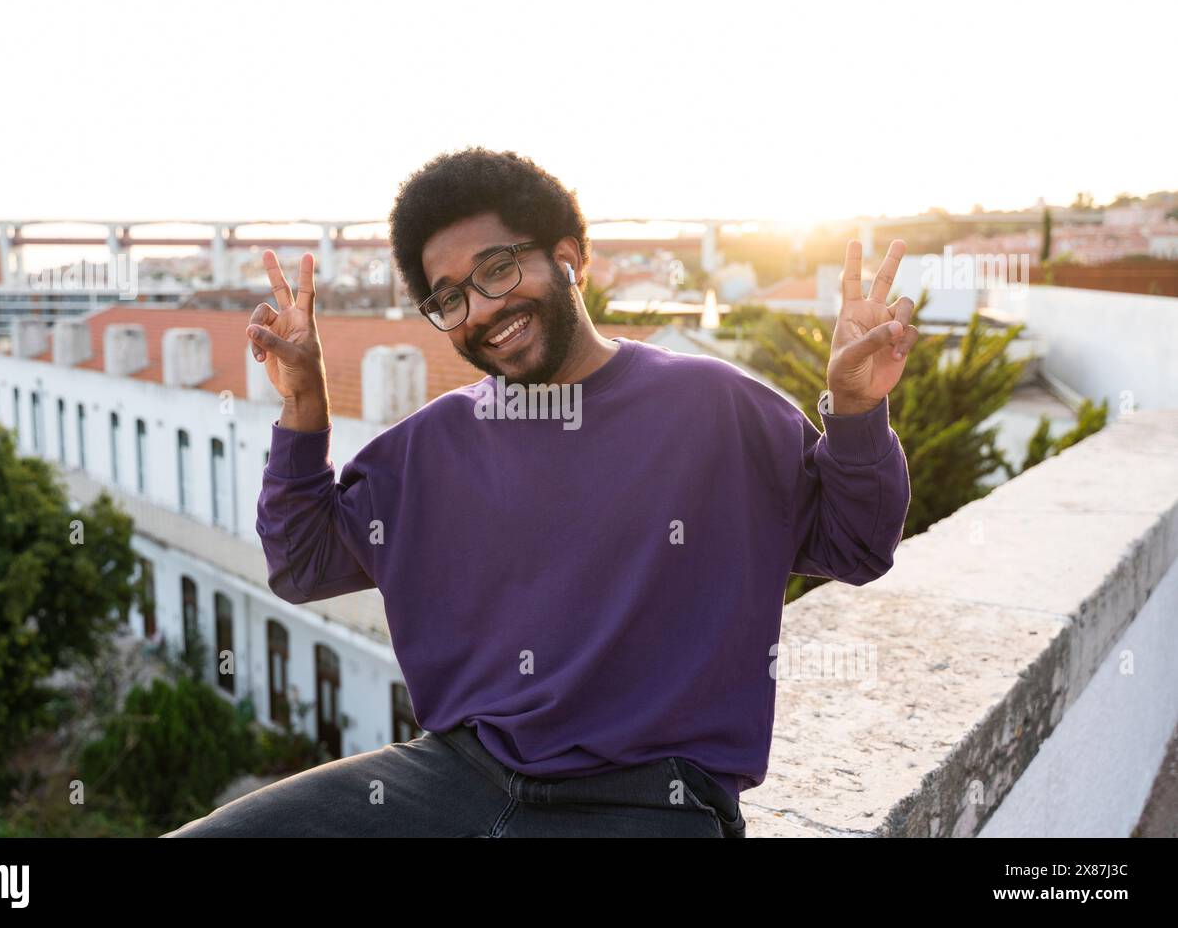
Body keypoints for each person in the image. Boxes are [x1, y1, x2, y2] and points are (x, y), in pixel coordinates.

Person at [163, 147, 916, 837]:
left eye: (497, 270)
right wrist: (303, 401)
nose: (481, 309)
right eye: (448, 297)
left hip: (652, 799)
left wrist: (854, 408)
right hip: (457, 778)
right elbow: (300, 563)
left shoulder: (716, 407)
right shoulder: (431, 446)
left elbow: (856, 544)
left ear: (568, 258)